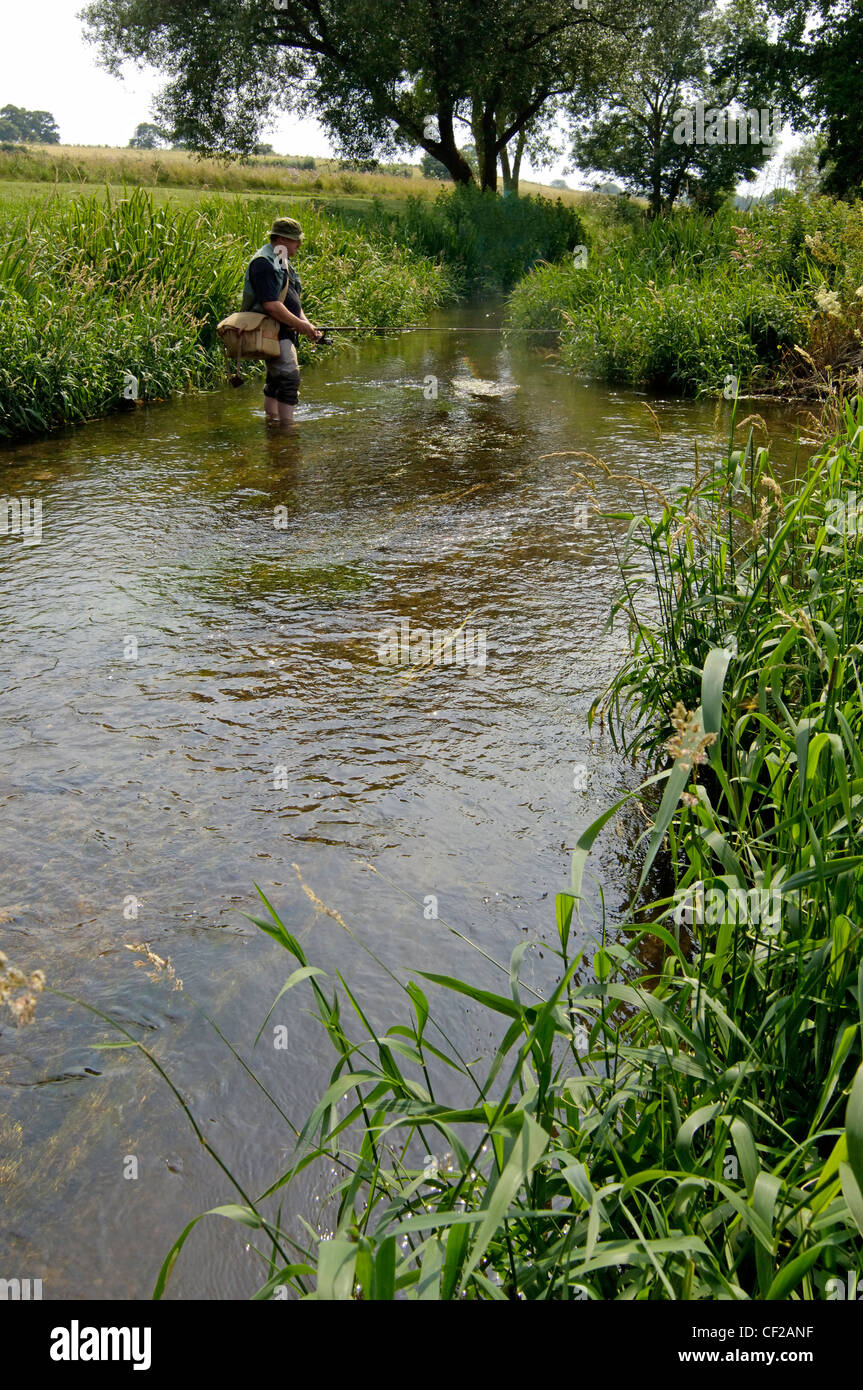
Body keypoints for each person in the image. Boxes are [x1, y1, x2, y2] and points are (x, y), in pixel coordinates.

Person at [241, 216, 322, 424]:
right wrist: (301, 325)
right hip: (271, 329)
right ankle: (287, 431)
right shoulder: (263, 263)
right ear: (282, 240)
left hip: (283, 330)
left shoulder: (280, 258)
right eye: (296, 240)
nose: (300, 244)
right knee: (288, 379)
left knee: (276, 380)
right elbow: (271, 305)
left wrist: (306, 324)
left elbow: (290, 296)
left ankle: (273, 424)